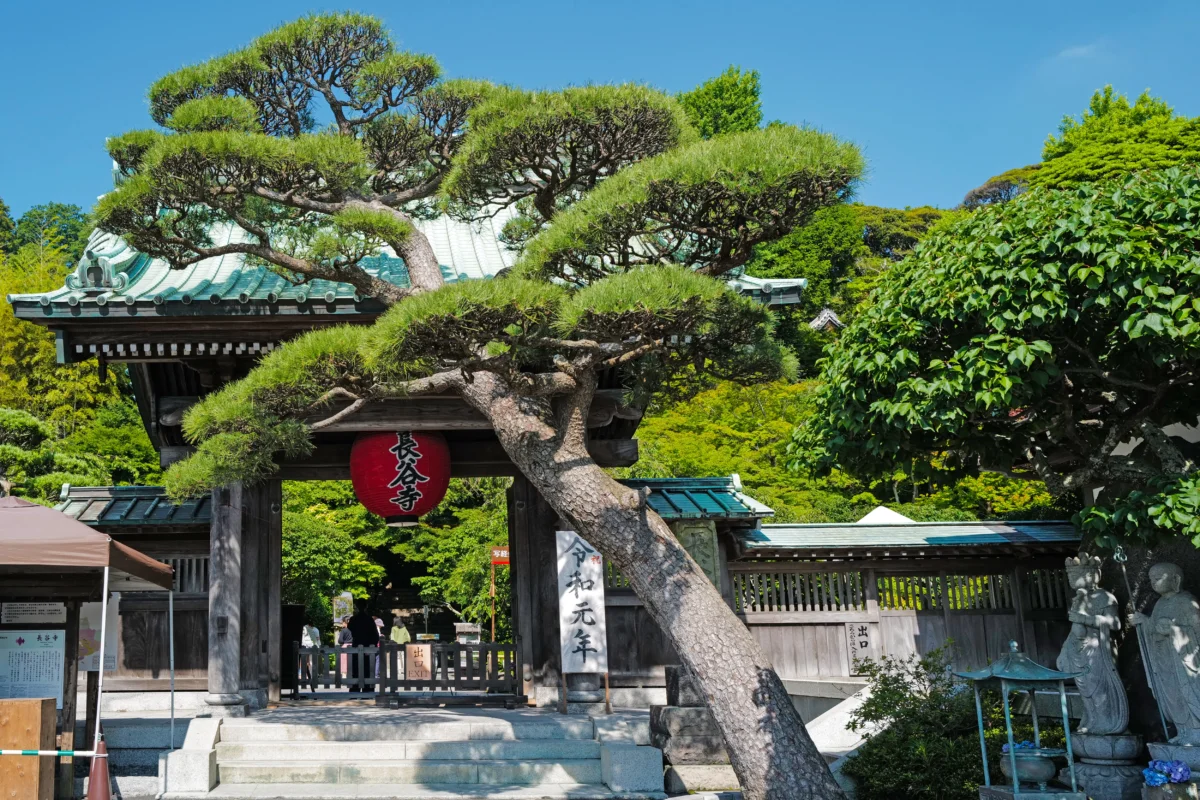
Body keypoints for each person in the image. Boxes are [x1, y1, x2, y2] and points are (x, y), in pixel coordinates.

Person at [348, 601, 380, 692]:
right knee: (368, 670)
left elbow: (350, 629)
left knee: (356, 670)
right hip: (368, 646)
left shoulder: (353, 619)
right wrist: (371, 646)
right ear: (366, 607)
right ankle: (368, 689)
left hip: (356, 645)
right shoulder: (369, 619)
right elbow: (375, 636)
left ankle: (355, 689)